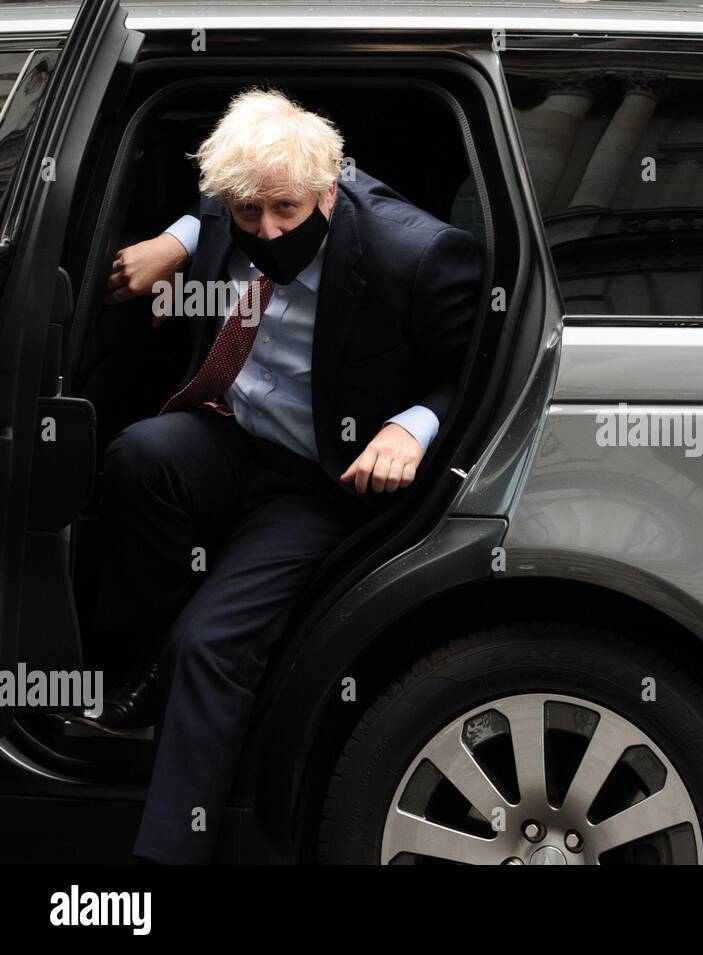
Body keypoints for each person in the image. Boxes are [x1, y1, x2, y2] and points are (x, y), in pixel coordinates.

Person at [89, 88, 484, 863]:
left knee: (211, 643)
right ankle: (143, 653)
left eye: (285, 212)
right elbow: (218, 205)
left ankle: (168, 852)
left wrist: (412, 424)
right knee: (139, 455)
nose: (266, 230)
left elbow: (473, 370)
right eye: (246, 214)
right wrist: (177, 238)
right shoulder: (236, 205)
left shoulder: (416, 253)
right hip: (234, 433)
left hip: (314, 475)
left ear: (329, 188)